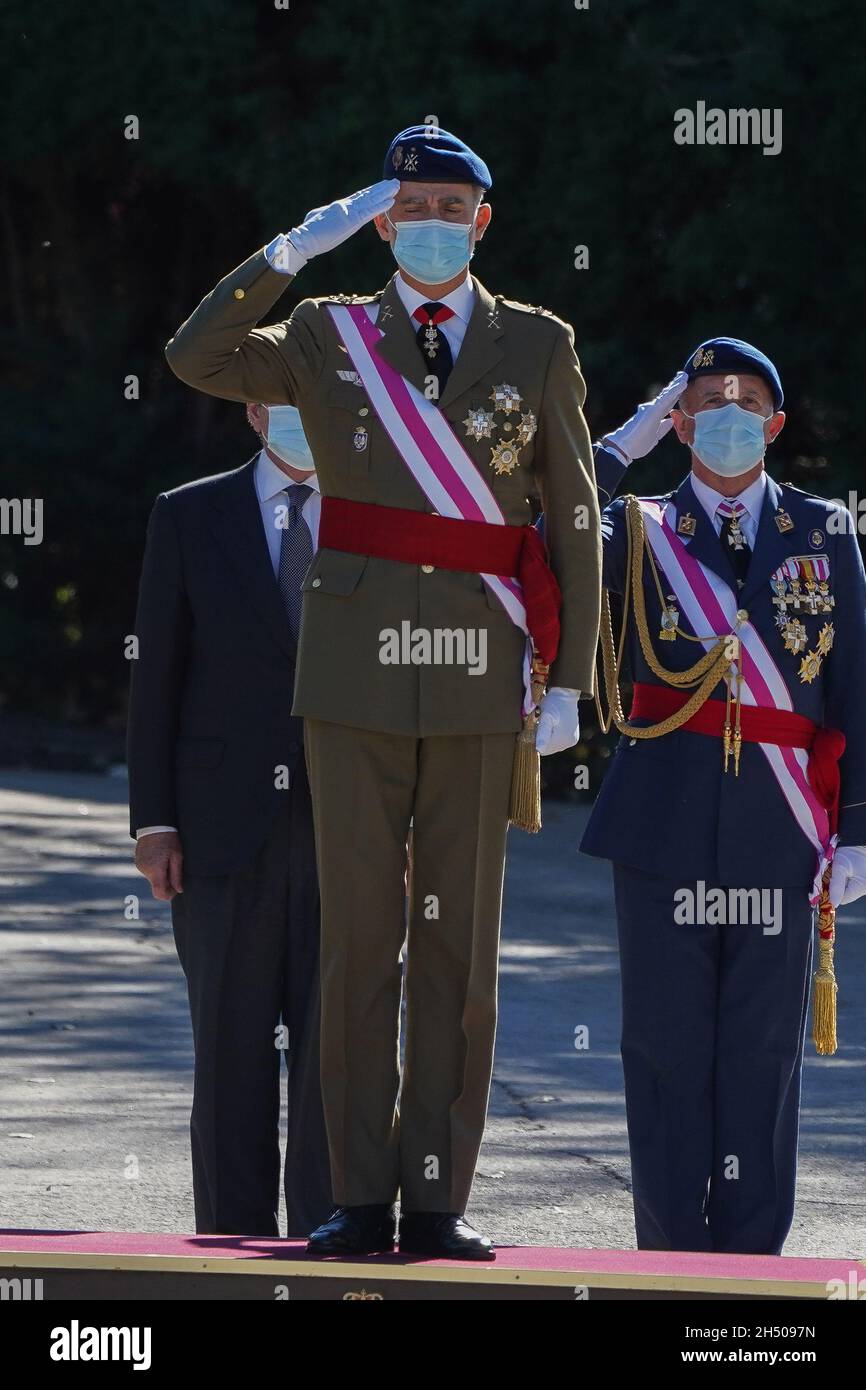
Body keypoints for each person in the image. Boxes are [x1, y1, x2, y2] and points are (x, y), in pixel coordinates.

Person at [163, 124, 602, 1259]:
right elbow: (196, 357)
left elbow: (574, 515)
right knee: (359, 941)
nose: (428, 223)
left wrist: (571, 680)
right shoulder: (325, 329)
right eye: (405, 206)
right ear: (377, 219)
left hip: (475, 676)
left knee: (455, 952)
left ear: (483, 219)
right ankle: (358, 1194)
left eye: (448, 205)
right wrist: (289, 251)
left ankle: (436, 1197)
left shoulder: (537, 343)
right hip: (353, 675)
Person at [581, 338, 866, 1254]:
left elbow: (858, 683)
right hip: (662, 828)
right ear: (680, 419)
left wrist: (858, 831)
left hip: (783, 832)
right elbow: (543, 519)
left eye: (748, 400)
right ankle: (669, 1261)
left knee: (760, 1061)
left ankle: (751, 1271)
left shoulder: (823, 531)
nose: (729, 414)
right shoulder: (635, 527)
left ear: (776, 426)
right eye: (707, 399)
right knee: (664, 1058)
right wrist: (619, 445)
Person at [127, 403, 333, 1237]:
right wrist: (154, 821)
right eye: (284, 395)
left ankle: (332, 1237)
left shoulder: (380, 508)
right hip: (218, 828)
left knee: (336, 1054)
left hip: (346, 822)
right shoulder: (188, 513)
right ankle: (231, 1248)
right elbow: (156, 672)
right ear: (254, 409)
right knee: (228, 1050)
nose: (303, 412)